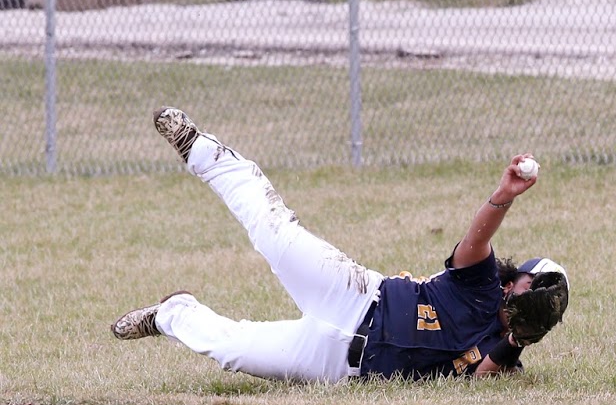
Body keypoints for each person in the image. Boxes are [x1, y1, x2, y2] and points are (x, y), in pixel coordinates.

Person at [111, 107, 570, 382]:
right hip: (354, 294)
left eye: (543, 299)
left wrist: (516, 339)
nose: (533, 295)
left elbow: (481, 381)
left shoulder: (502, 353)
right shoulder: (480, 284)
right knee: (273, 231)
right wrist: (504, 195)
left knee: (235, 350)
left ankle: (174, 314)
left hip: (340, 367)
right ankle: (202, 151)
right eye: (536, 285)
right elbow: (479, 236)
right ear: (516, 279)